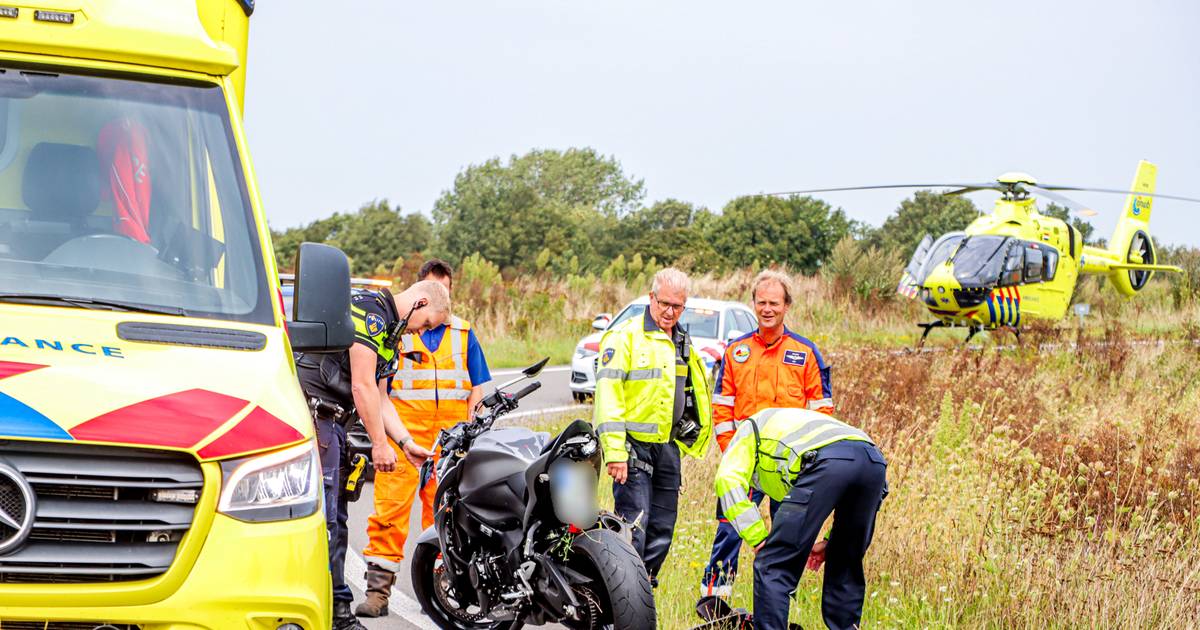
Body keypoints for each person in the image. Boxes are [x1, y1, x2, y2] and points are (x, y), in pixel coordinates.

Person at [296, 280, 444, 630]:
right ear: (420, 302)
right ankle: (329, 615)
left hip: (335, 423)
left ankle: (337, 613)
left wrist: (404, 443)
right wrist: (379, 443)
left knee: (338, 521)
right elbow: (361, 385)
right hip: (316, 417)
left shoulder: (392, 332)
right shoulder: (369, 313)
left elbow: (380, 396)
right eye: (424, 323)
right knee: (326, 522)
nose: (419, 331)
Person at [357, 260, 492, 617]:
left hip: (448, 444)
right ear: (421, 295)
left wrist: (473, 431)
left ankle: (438, 590)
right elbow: (377, 387)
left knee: (445, 517)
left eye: (446, 289)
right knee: (389, 512)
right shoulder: (397, 332)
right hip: (405, 436)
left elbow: (478, 387)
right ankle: (378, 592)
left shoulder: (463, 333)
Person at [701, 270, 835, 598]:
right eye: (761, 302)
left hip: (787, 465)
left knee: (787, 533)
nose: (767, 308)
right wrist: (732, 452)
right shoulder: (736, 351)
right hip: (746, 465)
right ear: (753, 304)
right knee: (730, 530)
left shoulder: (806, 353)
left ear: (787, 306)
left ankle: (778, 599)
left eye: (774, 302)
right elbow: (721, 408)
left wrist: (807, 460)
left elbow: (823, 412)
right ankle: (714, 602)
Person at [714, 407, 887, 630]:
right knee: (844, 563)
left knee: (773, 566)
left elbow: (727, 481)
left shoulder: (748, 431)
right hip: (873, 461)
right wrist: (831, 541)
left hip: (826, 460)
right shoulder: (795, 424)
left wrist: (757, 538)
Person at [592, 267, 713, 585]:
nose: (670, 312)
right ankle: (622, 600)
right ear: (651, 298)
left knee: (662, 529)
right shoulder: (625, 337)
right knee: (636, 527)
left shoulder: (682, 340)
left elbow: (693, 392)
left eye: (678, 306)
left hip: (667, 449)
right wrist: (615, 451)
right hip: (632, 449)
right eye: (665, 304)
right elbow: (608, 396)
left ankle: (642, 593)